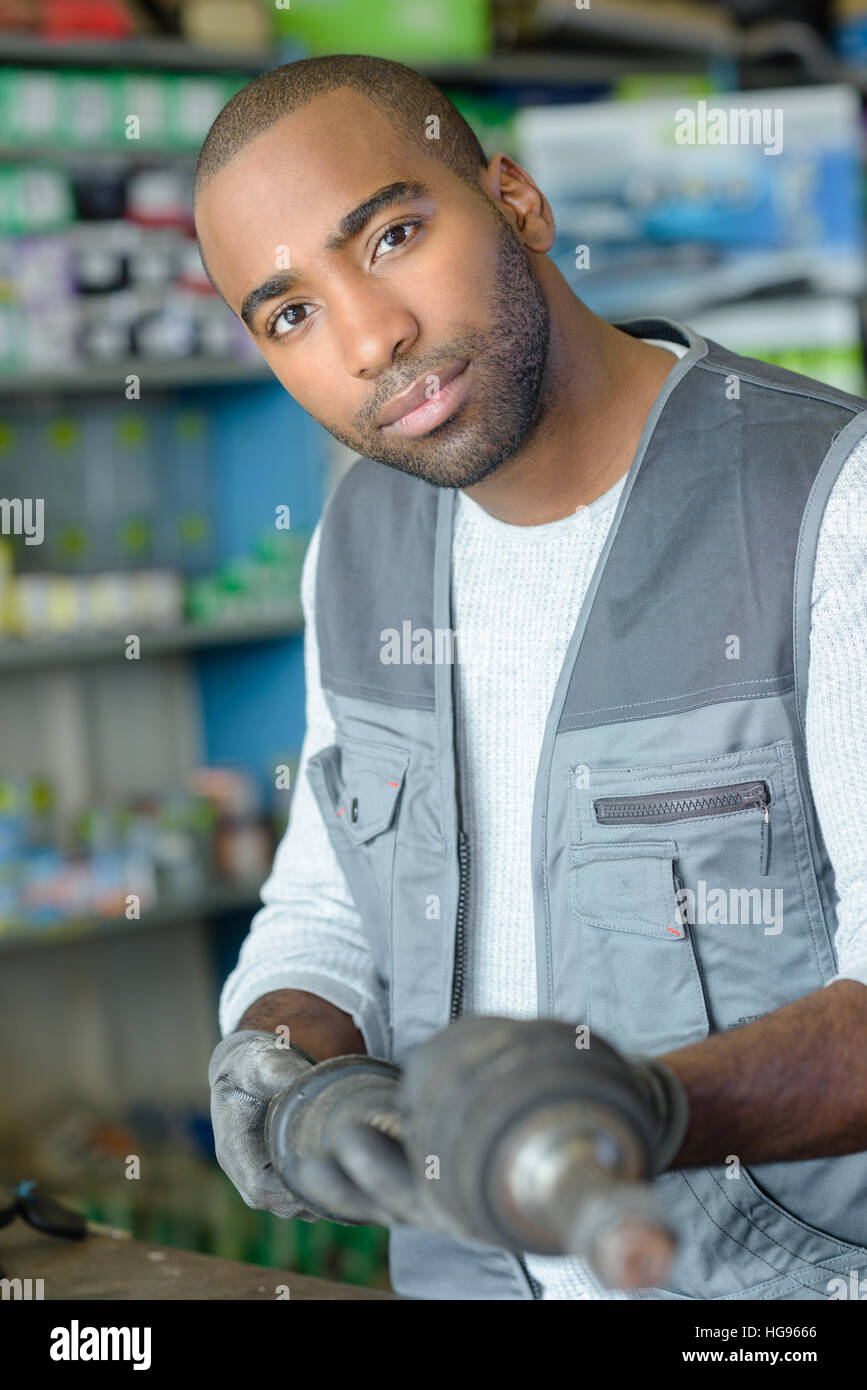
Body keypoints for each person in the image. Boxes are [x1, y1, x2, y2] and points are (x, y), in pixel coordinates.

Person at [196, 55, 867, 1301]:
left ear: (517, 200)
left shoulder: (829, 503)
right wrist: (285, 1049)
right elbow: (333, 904)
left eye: (393, 234)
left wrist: (635, 1103)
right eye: (289, 313)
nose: (370, 338)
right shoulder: (358, 546)